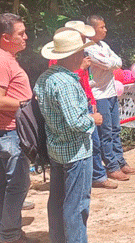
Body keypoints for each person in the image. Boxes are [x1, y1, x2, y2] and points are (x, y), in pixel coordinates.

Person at [35, 28, 108, 243]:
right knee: (76, 202)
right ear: (74, 54)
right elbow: (76, 122)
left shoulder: (44, 78)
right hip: (75, 151)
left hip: (56, 148)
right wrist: (94, 119)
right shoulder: (66, 83)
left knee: (57, 200)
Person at [0, 13, 38, 243]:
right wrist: (31, 105)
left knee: (3, 184)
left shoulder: (3, 58)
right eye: (20, 34)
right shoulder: (0, 61)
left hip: (6, 131)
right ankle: (10, 236)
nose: (26, 37)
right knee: (18, 184)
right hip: (9, 132)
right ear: (5, 37)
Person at [50, 21, 116, 190]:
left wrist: (91, 100)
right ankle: (97, 175)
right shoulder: (58, 61)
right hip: (73, 105)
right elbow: (67, 82)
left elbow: (85, 82)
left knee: (93, 140)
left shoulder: (82, 54)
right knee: (89, 139)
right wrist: (81, 68)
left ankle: (96, 173)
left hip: (85, 100)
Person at [86, 15, 135, 181]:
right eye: (101, 27)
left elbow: (118, 61)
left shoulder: (104, 45)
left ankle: (120, 161)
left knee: (116, 129)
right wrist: (111, 62)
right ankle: (111, 166)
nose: (105, 30)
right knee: (106, 132)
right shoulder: (88, 48)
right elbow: (109, 64)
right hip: (99, 95)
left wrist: (112, 62)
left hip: (111, 93)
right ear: (92, 29)